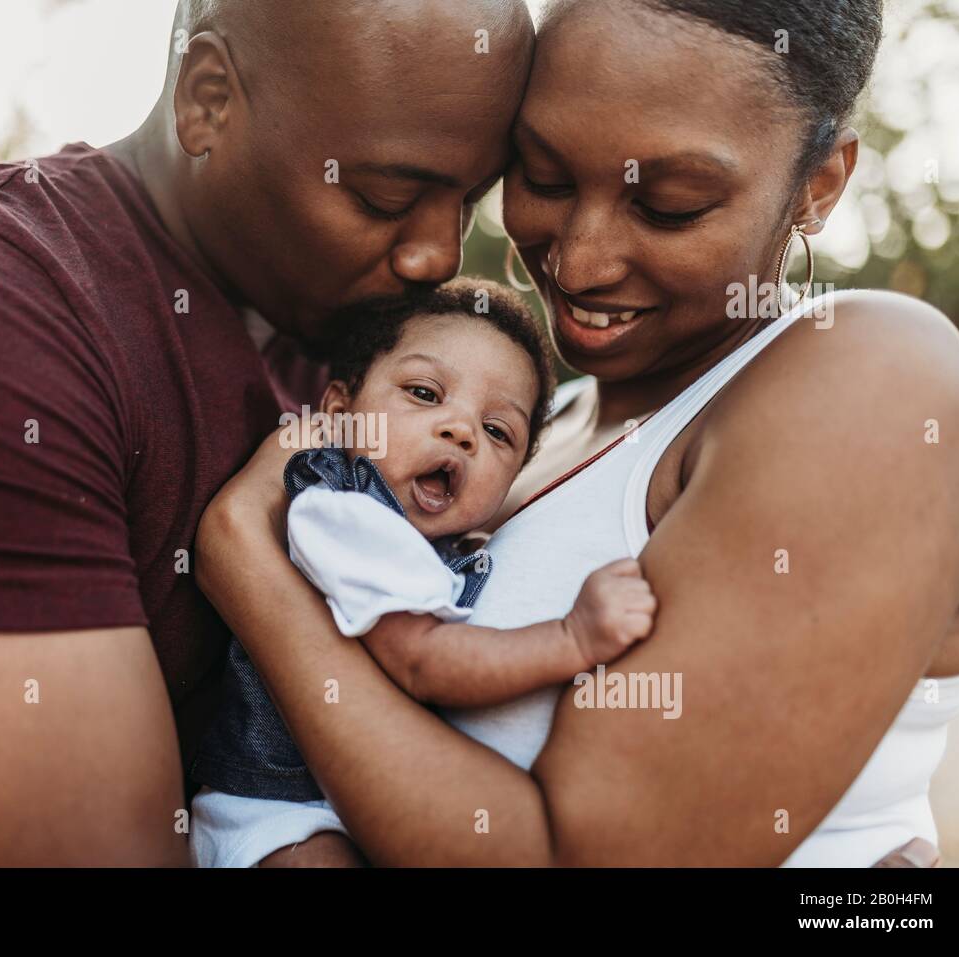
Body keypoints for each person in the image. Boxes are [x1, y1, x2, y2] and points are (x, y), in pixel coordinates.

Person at [194, 0, 959, 866]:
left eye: (671, 207)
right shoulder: (543, 421)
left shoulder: (878, 375)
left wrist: (250, 568)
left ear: (819, 185)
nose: (578, 261)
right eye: (546, 176)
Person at [0, 0, 535, 866]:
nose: (437, 255)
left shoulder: (364, 354)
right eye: (384, 194)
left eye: (466, 203)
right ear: (207, 99)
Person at [188, 280, 656, 867]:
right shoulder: (342, 515)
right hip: (278, 814)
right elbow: (422, 660)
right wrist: (572, 639)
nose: (460, 430)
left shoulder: (432, 545)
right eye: (424, 392)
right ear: (339, 414)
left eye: (496, 431)